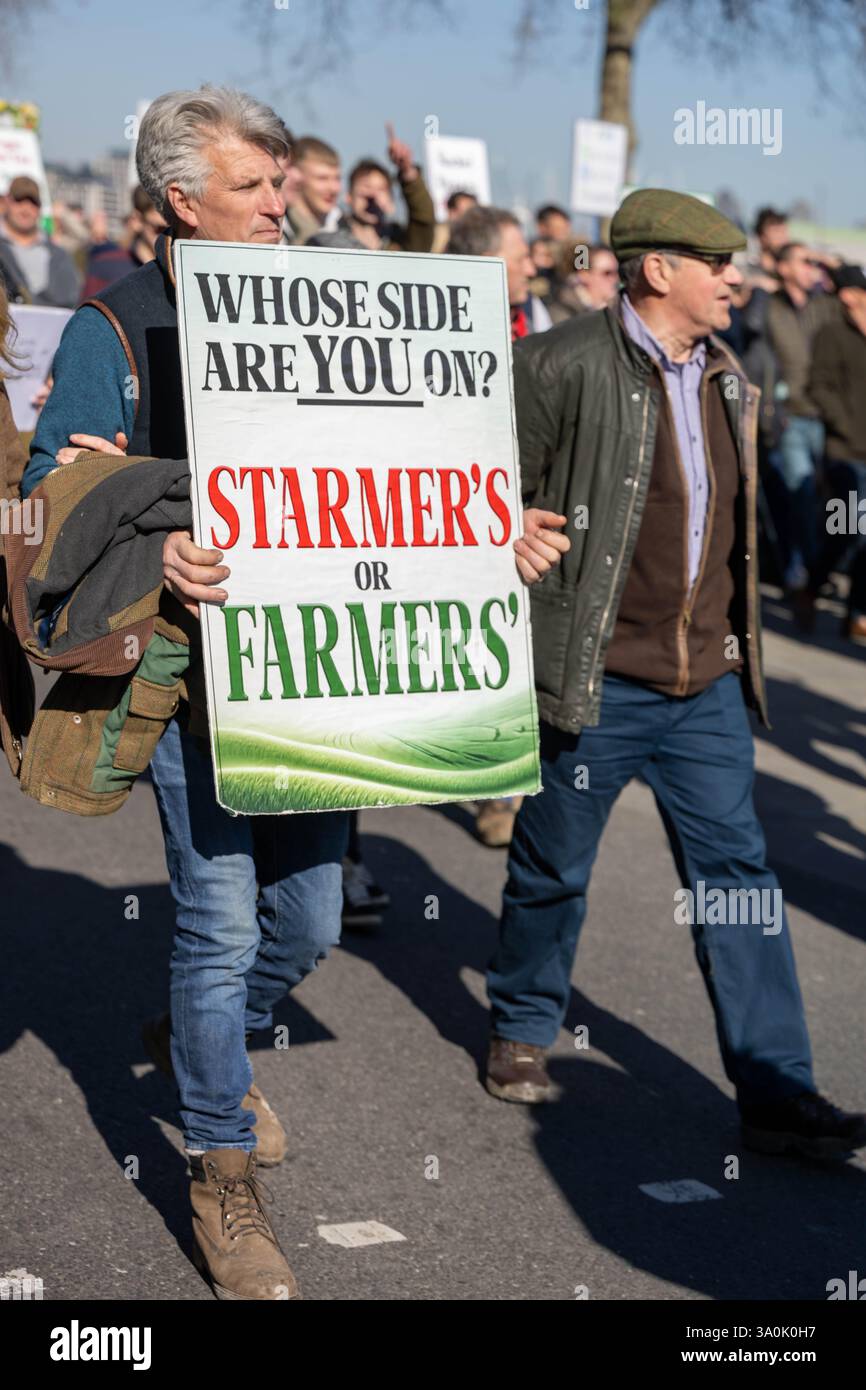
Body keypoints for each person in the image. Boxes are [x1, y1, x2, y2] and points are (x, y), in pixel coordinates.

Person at [20, 86, 567, 1299]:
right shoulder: (114, 332)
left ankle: (195, 1041)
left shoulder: (341, 307)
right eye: (257, 189)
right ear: (180, 200)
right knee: (214, 928)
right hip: (194, 691)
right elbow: (48, 513)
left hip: (325, 688)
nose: (286, 206)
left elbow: (396, 480)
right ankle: (221, 1175)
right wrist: (152, 544)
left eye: (283, 185)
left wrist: (493, 534)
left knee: (308, 923)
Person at [482, 188, 866, 1163]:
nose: (734, 278)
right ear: (658, 271)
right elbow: (474, 488)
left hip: (704, 687)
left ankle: (773, 1086)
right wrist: (500, 525)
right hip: (594, 676)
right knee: (553, 865)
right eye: (717, 264)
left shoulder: (726, 377)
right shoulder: (553, 364)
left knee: (736, 880)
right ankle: (523, 1025)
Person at [765, 242, 836, 600]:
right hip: (790, 415)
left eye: (815, 262)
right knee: (801, 493)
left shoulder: (824, 306)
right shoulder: (770, 307)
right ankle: (803, 572)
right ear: (784, 268)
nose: (812, 268)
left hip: (824, 415)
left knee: (828, 499)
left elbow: (852, 291)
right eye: (804, 262)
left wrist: (831, 265)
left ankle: (812, 568)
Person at [805, 263, 866, 641]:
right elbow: (820, 386)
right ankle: (813, 583)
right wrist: (845, 425)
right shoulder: (831, 333)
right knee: (847, 530)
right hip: (847, 449)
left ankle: (857, 612)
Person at [308, 123, 434, 253]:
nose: (373, 195)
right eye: (366, 187)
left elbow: (423, 218)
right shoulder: (328, 237)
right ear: (349, 196)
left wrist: (407, 170)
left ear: (390, 199)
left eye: (381, 189)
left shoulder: (400, 242)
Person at [0, 176, 80, 308]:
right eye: (19, 200)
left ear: (40, 207)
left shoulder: (59, 255)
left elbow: (70, 300)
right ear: (7, 201)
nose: (26, 209)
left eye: (33, 202)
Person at [80, 186, 168, 299]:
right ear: (137, 221)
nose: (167, 238)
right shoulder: (105, 266)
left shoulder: (181, 272)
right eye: (159, 229)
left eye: (173, 230)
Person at [281, 135, 342, 245]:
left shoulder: (345, 226)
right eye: (322, 178)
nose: (333, 188)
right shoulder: (277, 229)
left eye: (337, 178)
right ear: (297, 176)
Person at [548, 240, 619, 323]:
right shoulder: (562, 312)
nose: (616, 278)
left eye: (618, 272)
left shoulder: (618, 308)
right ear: (584, 274)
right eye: (607, 273)